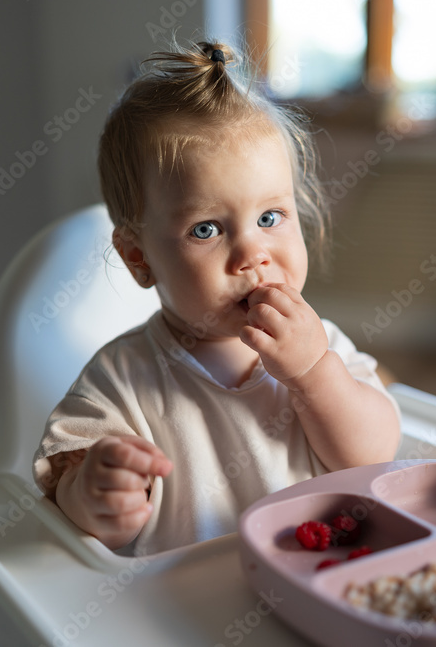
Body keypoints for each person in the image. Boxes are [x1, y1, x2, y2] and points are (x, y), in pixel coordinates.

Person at [32, 41, 401, 555]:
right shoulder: (120, 380)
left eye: (270, 218)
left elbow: (374, 457)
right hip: (185, 611)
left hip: (316, 580)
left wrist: (315, 373)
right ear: (140, 258)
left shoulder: (323, 347)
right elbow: (74, 520)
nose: (253, 253)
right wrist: (100, 497)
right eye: (206, 229)